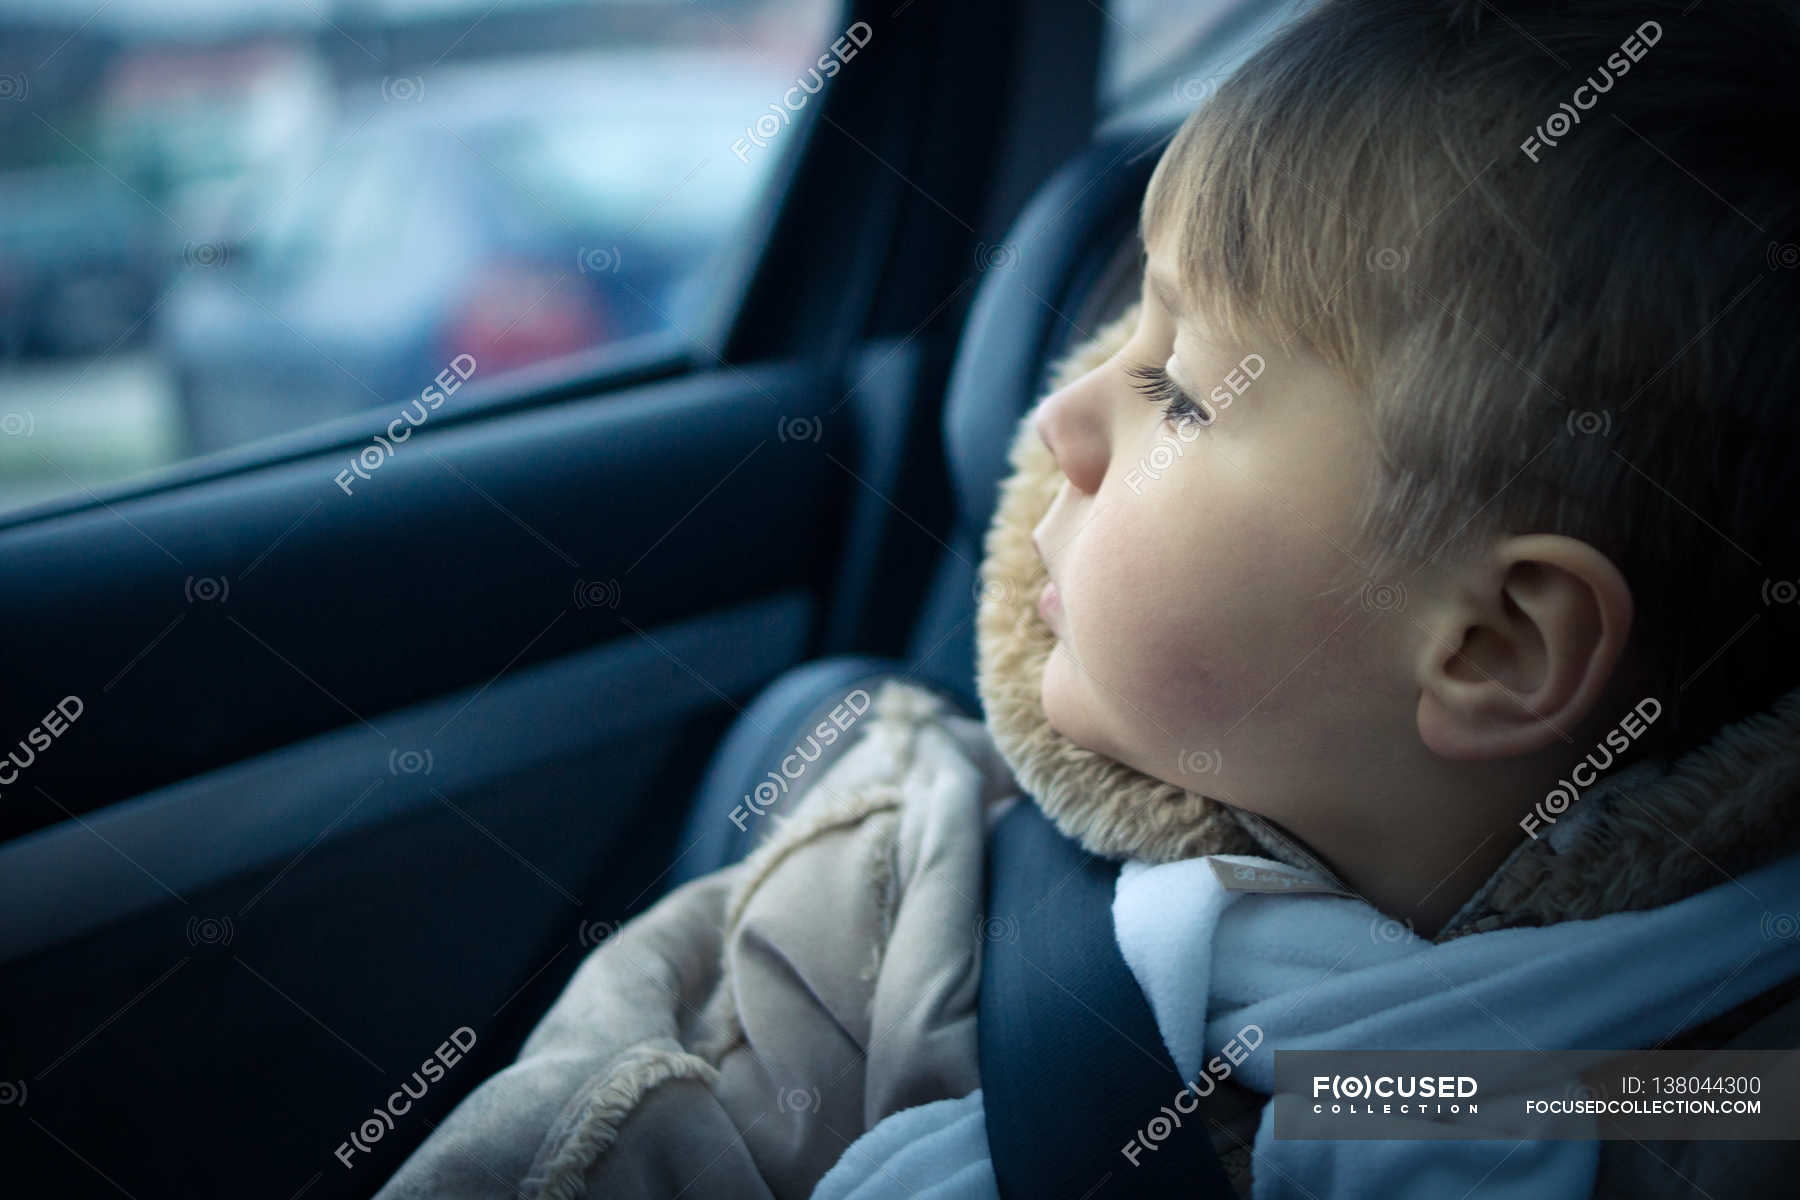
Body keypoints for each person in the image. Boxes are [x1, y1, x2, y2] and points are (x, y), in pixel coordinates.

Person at [377, 1, 1800, 1195]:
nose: (1061, 415)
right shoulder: (892, 886)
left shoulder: (1725, 1098)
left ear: (1493, 645)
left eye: (1178, 386)